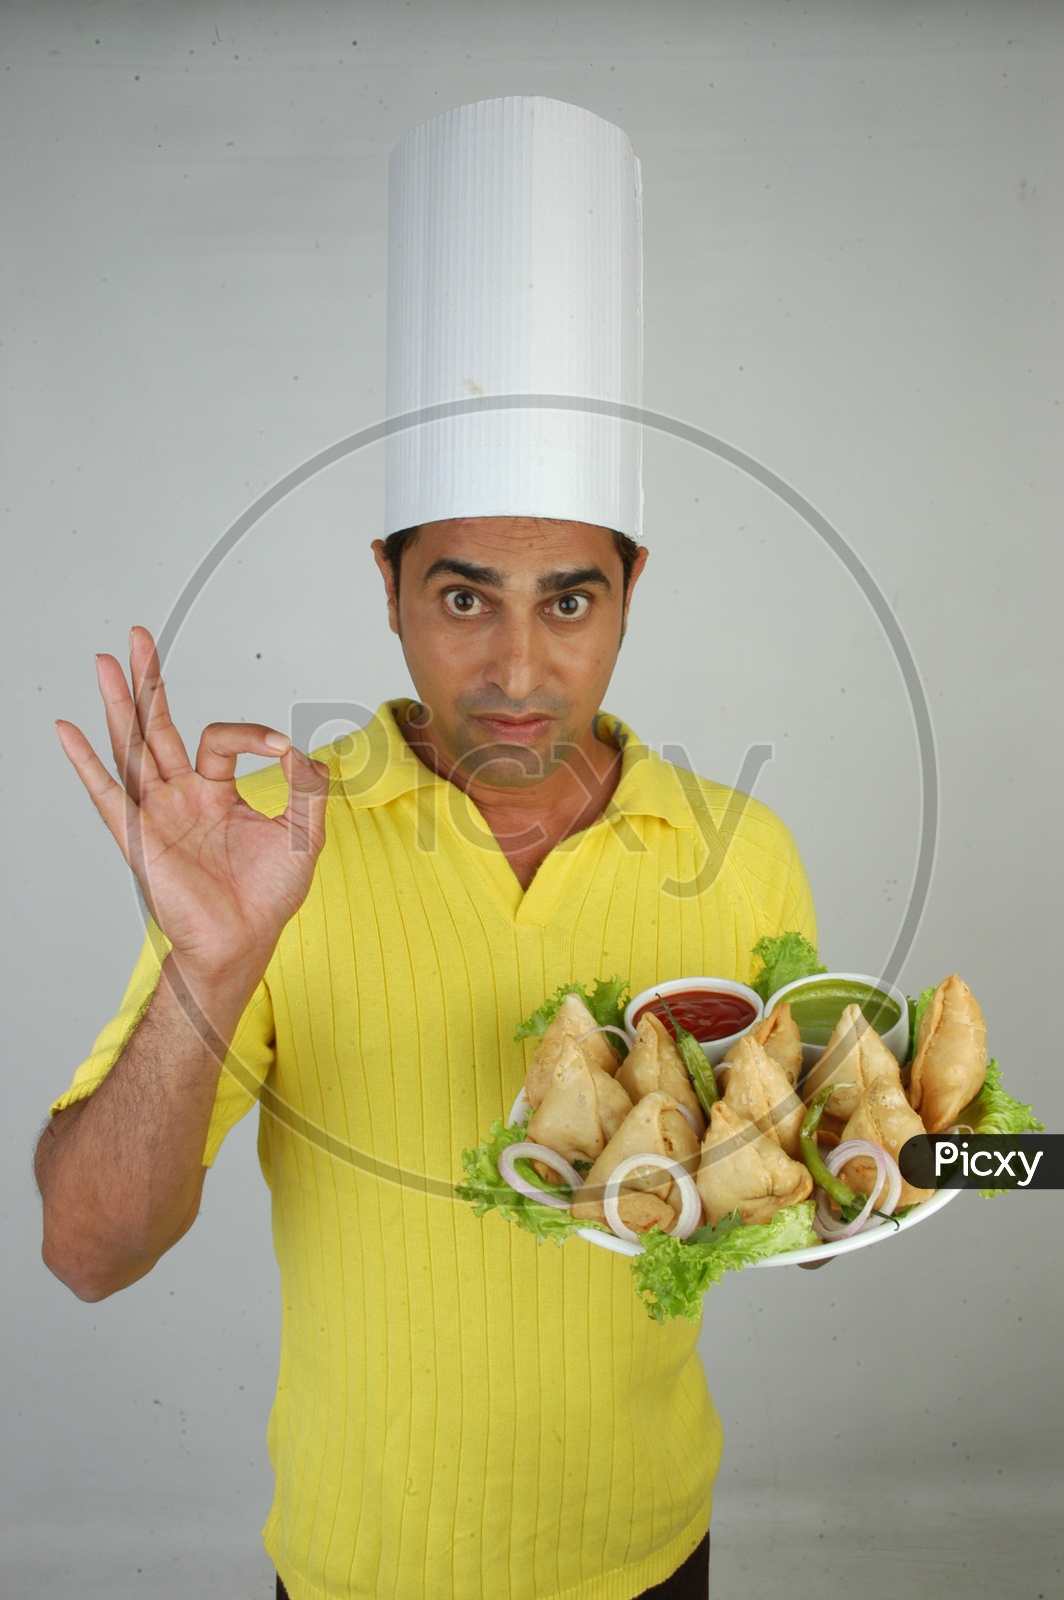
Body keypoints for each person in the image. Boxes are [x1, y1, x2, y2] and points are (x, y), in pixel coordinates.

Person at [36, 514, 816, 1600]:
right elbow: (89, 1253)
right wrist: (210, 967)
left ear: (630, 587)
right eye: (463, 599)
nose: (516, 670)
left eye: (567, 602)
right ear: (388, 584)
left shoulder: (742, 853)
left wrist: (937, 1156)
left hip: (649, 1541)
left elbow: (801, 1214)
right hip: (364, 1561)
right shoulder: (263, 842)